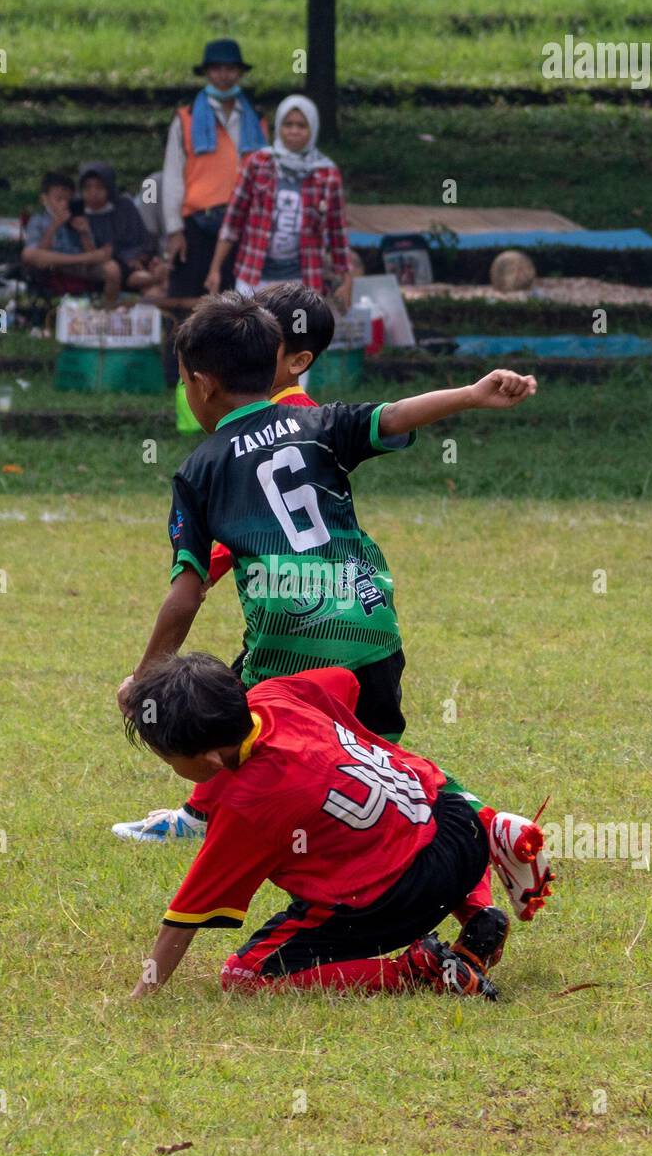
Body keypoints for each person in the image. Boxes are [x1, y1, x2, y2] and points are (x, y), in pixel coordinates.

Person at [114, 291, 536, 850]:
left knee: (239, 735)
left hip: (288, 636)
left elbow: (186, 595)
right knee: (381, 759)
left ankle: (210, 821)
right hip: (369, 620)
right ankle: (487, 822)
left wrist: (143, 677)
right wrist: (473, 394)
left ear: (201, 384)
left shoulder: (199, 469)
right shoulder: (320, 422)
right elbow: (394, 414)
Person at [121, 654, 554, 999]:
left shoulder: (250, 805)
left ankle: (420, 971)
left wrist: (143, 992)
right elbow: (343, 681)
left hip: (408, 894)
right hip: (457, 824)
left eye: (169, 759)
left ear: (210, 760)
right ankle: (480, 908)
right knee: (414, 819)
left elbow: (186, 915)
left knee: (245, 976)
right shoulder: (274, 696)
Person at [112, 281, 328, 843]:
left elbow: (260, 519)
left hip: (298, 615)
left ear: (295, 360)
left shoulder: (290, 420)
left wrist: (202, 571)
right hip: (355, 610)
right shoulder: (290, 420)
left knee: (237, 709)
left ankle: (215, 817)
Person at [160, 39, 267, 381]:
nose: (224, 75)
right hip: (197, 221)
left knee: (240, 304)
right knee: (184, 302)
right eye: (217, 68)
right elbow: (172, 175)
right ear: (207, 73)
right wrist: (174, 229)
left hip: (243, 224)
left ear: (239, 73)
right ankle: (178, 376)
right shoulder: (186, 118)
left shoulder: (255, 118)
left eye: (230, 68)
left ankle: (233, 376)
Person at [205, 94, 352, 311]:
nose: (294, 131)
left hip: (302, 278)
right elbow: (233, 220)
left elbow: (338, 232)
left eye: (301, 126)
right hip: (253, 275)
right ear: (279, 127)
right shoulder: (258, 163)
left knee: (299, 330)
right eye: (288, 124)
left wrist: (347, 280)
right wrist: (215, 268)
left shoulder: (327, 174)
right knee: (252, 329)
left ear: (313, 129)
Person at [76, 162, 166, 305]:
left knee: (154, 289)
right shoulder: (78, 212)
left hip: (134, 263)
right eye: (87, 188)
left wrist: (135, 257)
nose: (93, 193)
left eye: (99, 187)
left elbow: (142, 239)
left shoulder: (124, 206)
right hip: (98, 266)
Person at [21, 170, 117, 299]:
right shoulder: (39, 219)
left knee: (112, 268)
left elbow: (92, 253)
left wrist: (84, 233)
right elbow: (38, 254)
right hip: (52, 263)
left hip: (77, 263)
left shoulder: (77, 215)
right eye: (59, 199)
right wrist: (54, 225)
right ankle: (80, 259)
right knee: (28, 254)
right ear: (45, 199)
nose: (64, 204)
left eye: (68, 199)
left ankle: (108, 306)